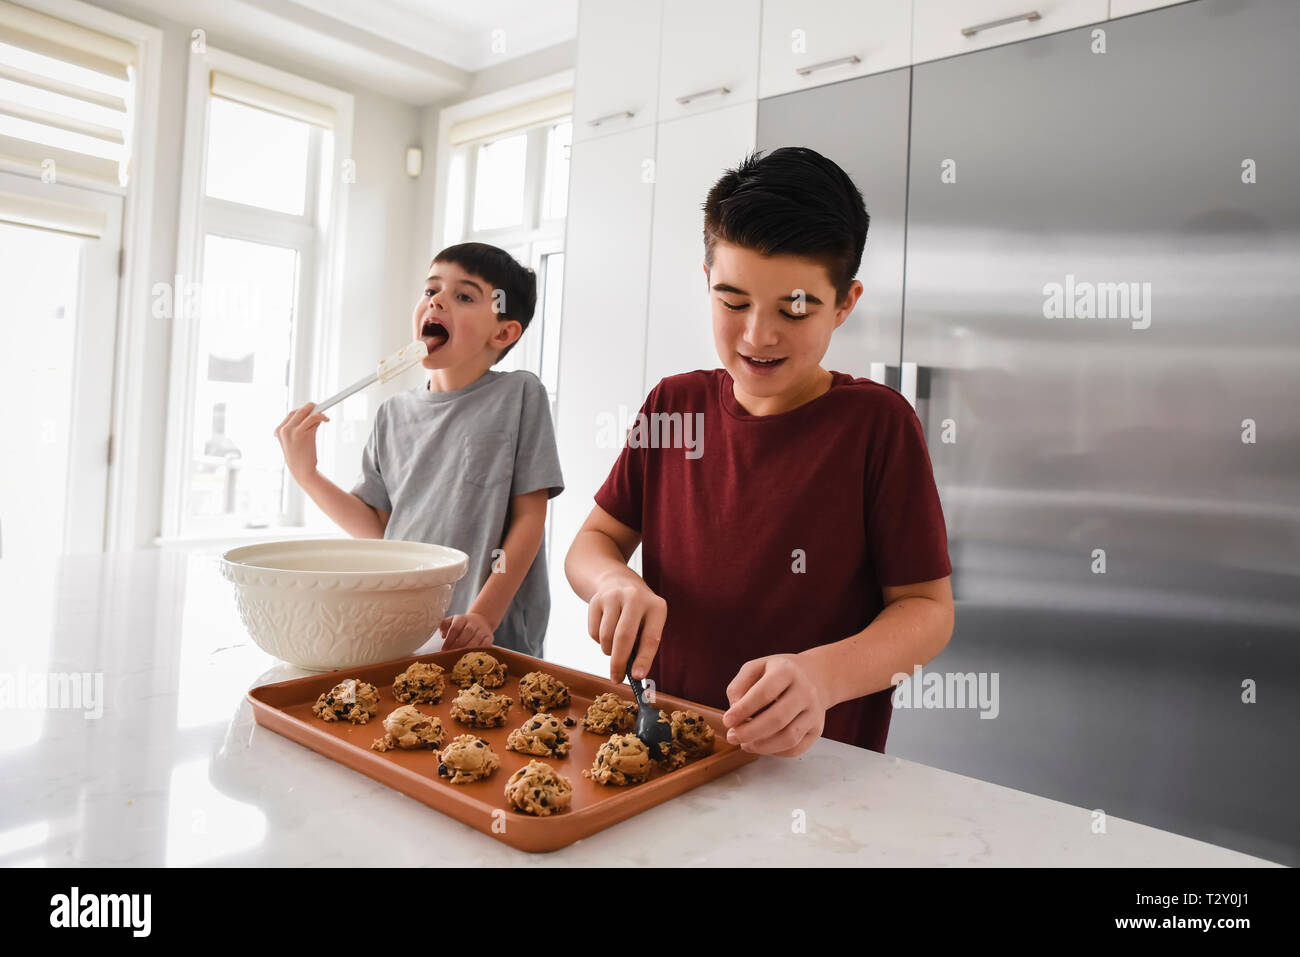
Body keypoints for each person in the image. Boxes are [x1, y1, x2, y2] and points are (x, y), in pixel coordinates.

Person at [564, 148, 953, 756]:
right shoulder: (674, 404)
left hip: (813, 758)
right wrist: (613, 581)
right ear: (707, 283)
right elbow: (593, 542)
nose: (757, 336)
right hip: (667, 740)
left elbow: (927, 609)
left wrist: (823, 677)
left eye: (794, 308)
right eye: (734, 301)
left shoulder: (878, 425)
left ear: (845, 304)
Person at [276, 242, 563, 656]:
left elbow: (529, 520)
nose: (438, 300)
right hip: (405, 629)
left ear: (503, 331)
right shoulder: (391, 413)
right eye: (431, 291)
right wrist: (306, 474)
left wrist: (483, 615)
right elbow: (379, 532)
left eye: (463, 296)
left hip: (490, 635)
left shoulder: (519, 394)